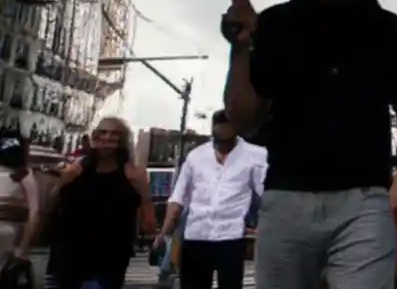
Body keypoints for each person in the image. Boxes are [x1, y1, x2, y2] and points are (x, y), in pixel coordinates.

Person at [221, 0, 397, 289]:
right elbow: (243, 118)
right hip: (287, 195)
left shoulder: (387, 28)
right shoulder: (274, 23)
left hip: (365, 199)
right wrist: (241, 49)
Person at [153, 110, 266, 289]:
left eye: (227, 140)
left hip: (231, 236)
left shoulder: (255, 156)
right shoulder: (196, 157)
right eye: (218, 140)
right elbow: (179, 197)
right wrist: (164, 232)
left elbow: (265, 193)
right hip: (196, 234)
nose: (222, 146)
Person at [49, 116, 156, 289]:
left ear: (123, 140)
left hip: (110, 257)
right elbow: (53, 202)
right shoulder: (75, 170)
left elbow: (148, 221)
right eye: (103, 132)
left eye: (115, 134)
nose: (107, 138)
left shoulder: (134, 175)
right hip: (70, 255)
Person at [0, 130, 39, 284]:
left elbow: (34, 214)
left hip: (11, 243)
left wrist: (23, 248)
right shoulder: (23, 174)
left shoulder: (22, 174)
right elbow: (34, 214)